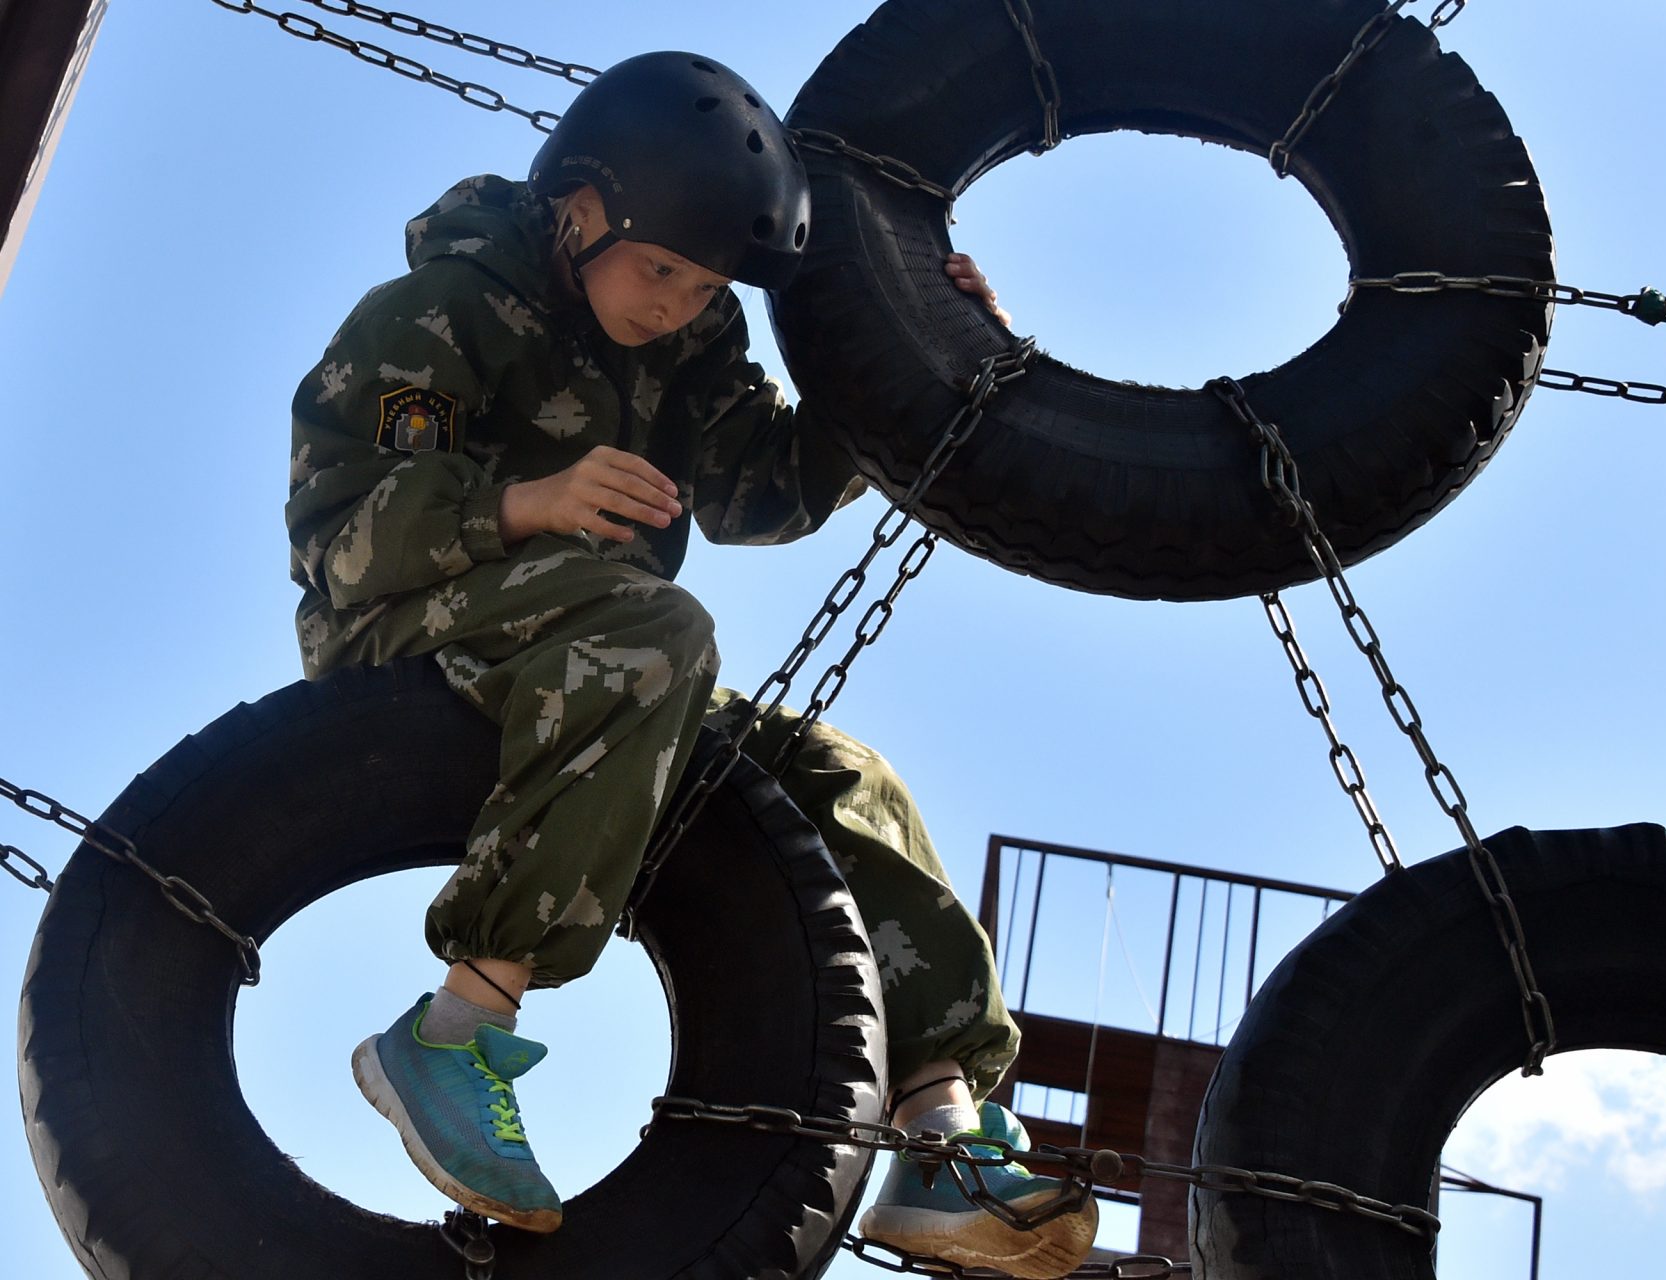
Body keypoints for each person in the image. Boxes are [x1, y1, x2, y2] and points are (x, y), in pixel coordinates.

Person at [283, 50, 1096, 1277]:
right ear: (579, 206)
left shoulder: (691, 341)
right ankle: (455, 1028)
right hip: (410, 631)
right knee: (661, 631)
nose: (673, 301)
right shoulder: (437, 314)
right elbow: (342, 540)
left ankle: (941, 1138)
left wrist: (922, 354)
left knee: (836, 772)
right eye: (658, 267)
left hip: (610, 661)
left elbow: (759, 491)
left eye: (704, 282)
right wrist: (527, 500)